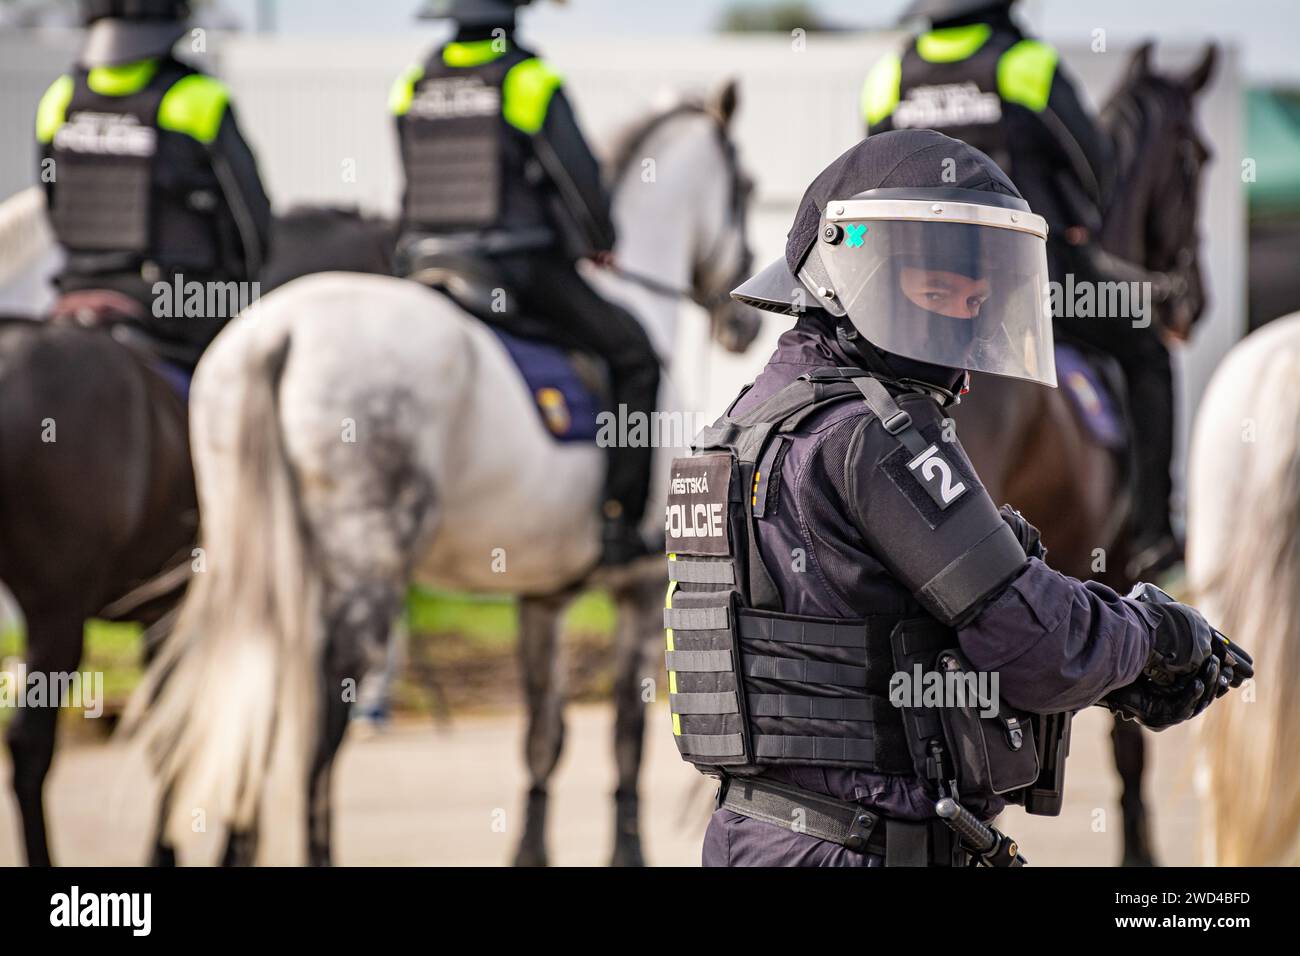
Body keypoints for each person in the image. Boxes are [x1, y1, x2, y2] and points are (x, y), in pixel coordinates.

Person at [663, 130, 1249, 867]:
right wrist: (1155, 635)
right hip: (866, 846)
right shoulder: (879, 437)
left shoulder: (738, 427)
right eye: (934, 294)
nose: (962, 325)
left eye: (978, 301)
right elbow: (1034, 642)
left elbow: (867, 637)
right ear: (853, 277)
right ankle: (1158, 526)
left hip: (751, 836)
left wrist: (1118, 680)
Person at [861, 0, 1179, 576]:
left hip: (912, 293)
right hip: (1028, 282)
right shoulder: (1025, 63)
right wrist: (1079, 219)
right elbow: (1096, 169)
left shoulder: (888, 75)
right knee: (1147, 350)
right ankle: (1154, 535)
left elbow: (868, 183)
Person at [389, 0, 661, 566]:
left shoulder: (412, 83)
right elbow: (578, 179)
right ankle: (619, 524)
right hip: (513, 266)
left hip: (423, 263)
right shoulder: (528, 80)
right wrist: (599, 239)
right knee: (634, 355)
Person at [36, 0, 273, 374]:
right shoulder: (199, 98)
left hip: (75, 290)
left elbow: (51, 205)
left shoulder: (59, 98)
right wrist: (243, 289)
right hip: (178, 304)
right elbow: (251, 226)